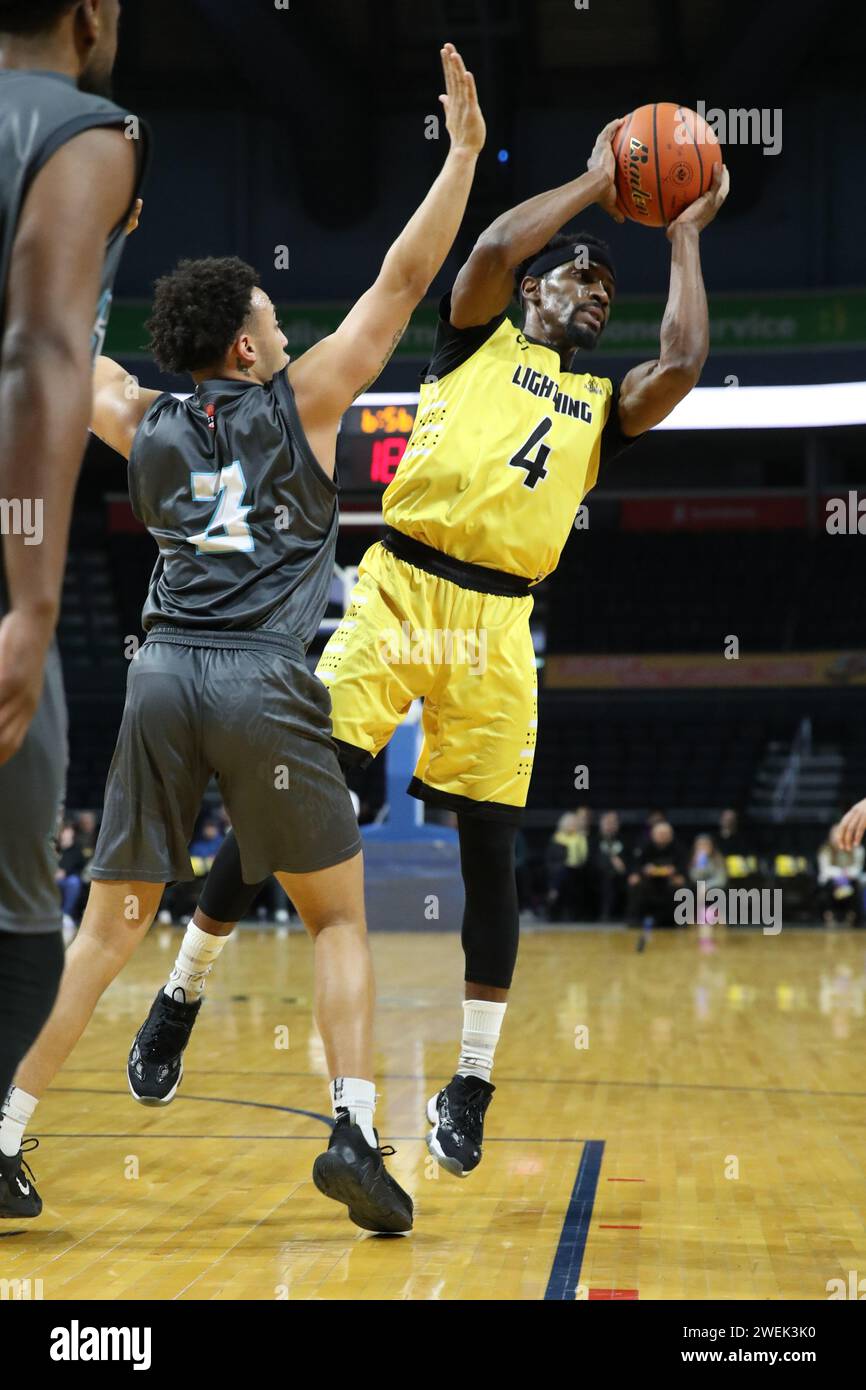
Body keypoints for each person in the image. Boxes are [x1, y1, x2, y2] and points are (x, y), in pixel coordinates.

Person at [141, 113, 730, 1178]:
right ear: (535, 294)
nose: (595, 291)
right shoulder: (476, 331)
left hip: (500, 625)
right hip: (400, 591)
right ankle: (180, 993)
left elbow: (683, 357)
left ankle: (470, 1079)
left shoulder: (604, 405)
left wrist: (683, 232)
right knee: (287, 806)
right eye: (578, 278)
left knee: (490, 858)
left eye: (607, 287)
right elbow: (495, 248)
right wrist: (599, 183)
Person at [0, 43, 485, 1232]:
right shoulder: (302, 402)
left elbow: (59, 347)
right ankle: (355, 1130)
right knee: (337, 918)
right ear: (248, 349)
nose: (282, 323)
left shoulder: (140, 418)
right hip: (265, 684)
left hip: (159, 678)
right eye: (271, 317)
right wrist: (463, 154)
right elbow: (403, 277)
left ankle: (2, 1132)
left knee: (110, 927)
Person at [0, 0, 148, 1218]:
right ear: (92, 16)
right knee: (17, 888)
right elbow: (43, 353)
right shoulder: (88, 131)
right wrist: (31, 598)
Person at [627, 820, 688, 929]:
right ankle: (634, 919)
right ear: (653, 835)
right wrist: (640, 872)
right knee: (635, 883)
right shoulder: (644, 846)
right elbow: (636, 864)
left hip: (670, 880)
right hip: (649, 880)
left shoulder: (679, 847)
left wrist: (677, 872)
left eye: (665, 834)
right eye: (660, 834)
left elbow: (683, 866)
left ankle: (680, 919)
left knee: (681, 885)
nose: (662, 837)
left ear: (671, 835)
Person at [546, 810, 591, 921]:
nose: (572, 825)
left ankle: (553, 893)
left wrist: (581, 839)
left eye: (574, 823)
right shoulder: (557, 838)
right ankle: (555, 900)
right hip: (559, 868)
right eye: (570, 823)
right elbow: (550, 857)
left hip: (577, 868)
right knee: (562, 871)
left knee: (564, 873)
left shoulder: (580, 837)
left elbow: (583, 857)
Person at [817, 824, 864, 927]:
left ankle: (851, 917)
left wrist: (846, 875)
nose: (838, 837)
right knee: (830, 885)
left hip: (850, 880)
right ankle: (829, 916)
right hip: (832, 880)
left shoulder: (857, 849)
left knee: (854, 886)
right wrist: (841, 874)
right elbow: (825, 870)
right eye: (835, 834)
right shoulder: (825, 850)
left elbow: (857, 869)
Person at [687, 833, 727, 951]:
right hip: (698, 891)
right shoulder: (695, 860)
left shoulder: (718, 859)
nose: (703, 848)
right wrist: (700, 865)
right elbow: (694, 878)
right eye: (700, 845)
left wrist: (707, 886)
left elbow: (721, 879)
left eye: (706, 845)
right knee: (696, 892)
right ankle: (705, 930)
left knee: (709, 894)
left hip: (715, 890)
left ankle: (708, 922)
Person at [595, 810, 627, 921]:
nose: (610, 826)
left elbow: (629, 858)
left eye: (613, 823)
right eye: (607, 823)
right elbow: (593, 859)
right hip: (598, 873)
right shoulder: (594, 839)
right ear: (601, 824)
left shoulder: (624, 839)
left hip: (621, 873)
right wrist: (611, 862)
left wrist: (622, 865)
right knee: (608, 877)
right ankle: (606, 914)